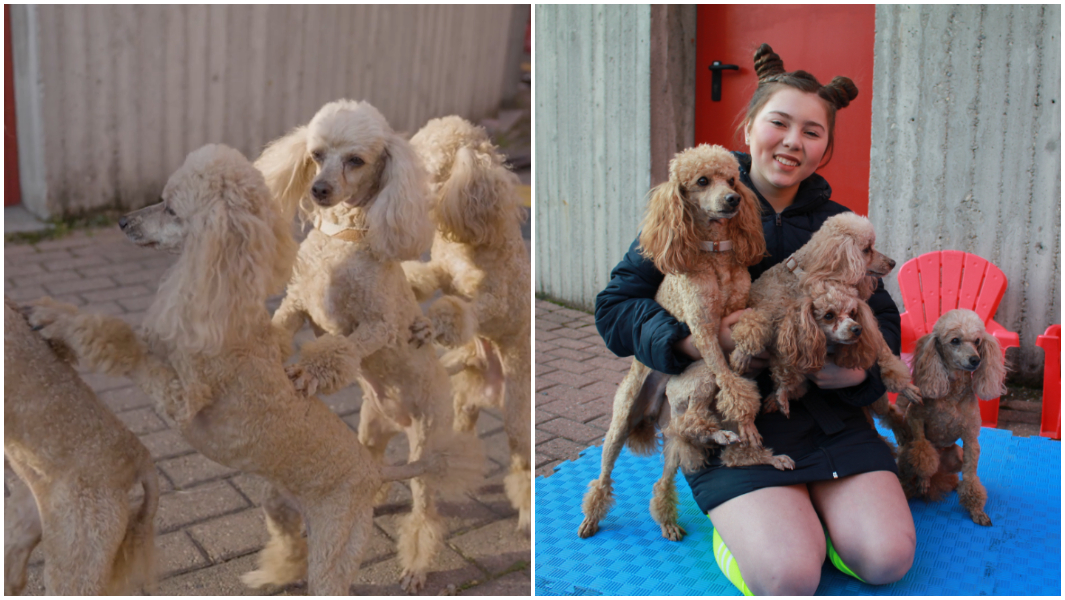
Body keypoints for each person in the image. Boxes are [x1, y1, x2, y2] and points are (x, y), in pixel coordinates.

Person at [594, 44, 915, 596]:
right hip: (733, 419)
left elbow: (881, 315)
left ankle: (821, 520)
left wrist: (859, 376)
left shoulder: (839, 225)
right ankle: (753, 533)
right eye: (780, 123)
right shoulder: (692, 207)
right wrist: (691, 343)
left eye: (812, 132)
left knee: (886, 562)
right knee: (789, 577)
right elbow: (616, 307)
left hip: (831, 416)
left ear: (824, 151)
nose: (793, 141)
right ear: (748, 129)